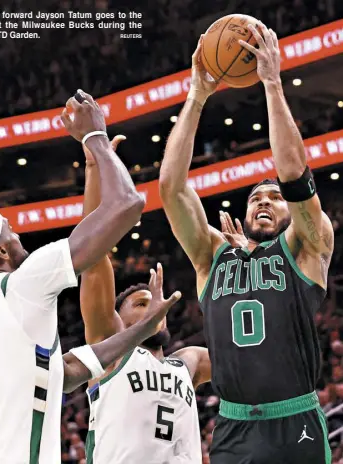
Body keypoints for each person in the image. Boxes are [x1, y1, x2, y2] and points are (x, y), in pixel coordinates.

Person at [0, 89, 149, 464]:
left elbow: (60, 375)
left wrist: (139, 332)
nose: (19, 237)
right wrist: (95, 137)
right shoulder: (21, 284)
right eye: (11, 233)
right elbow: (127, 205)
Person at [159, 25, 334, 464]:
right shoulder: (212, 257)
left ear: (291, 211)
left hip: (296, 421)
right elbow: (171, 188)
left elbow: (294, 173)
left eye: (274, 198)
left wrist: (272, 83)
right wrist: (197, 94)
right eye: (255, 196)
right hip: (234, 426)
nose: (263, 200)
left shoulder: (308, 248)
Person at [77, 135, 222, 464]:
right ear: (119, 322)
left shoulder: (189, 362)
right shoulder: (110, 353)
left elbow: (253, 351)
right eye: (141, 303)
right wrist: (93, 171)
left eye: (155, 301)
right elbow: (93, 262)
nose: (155, 306)